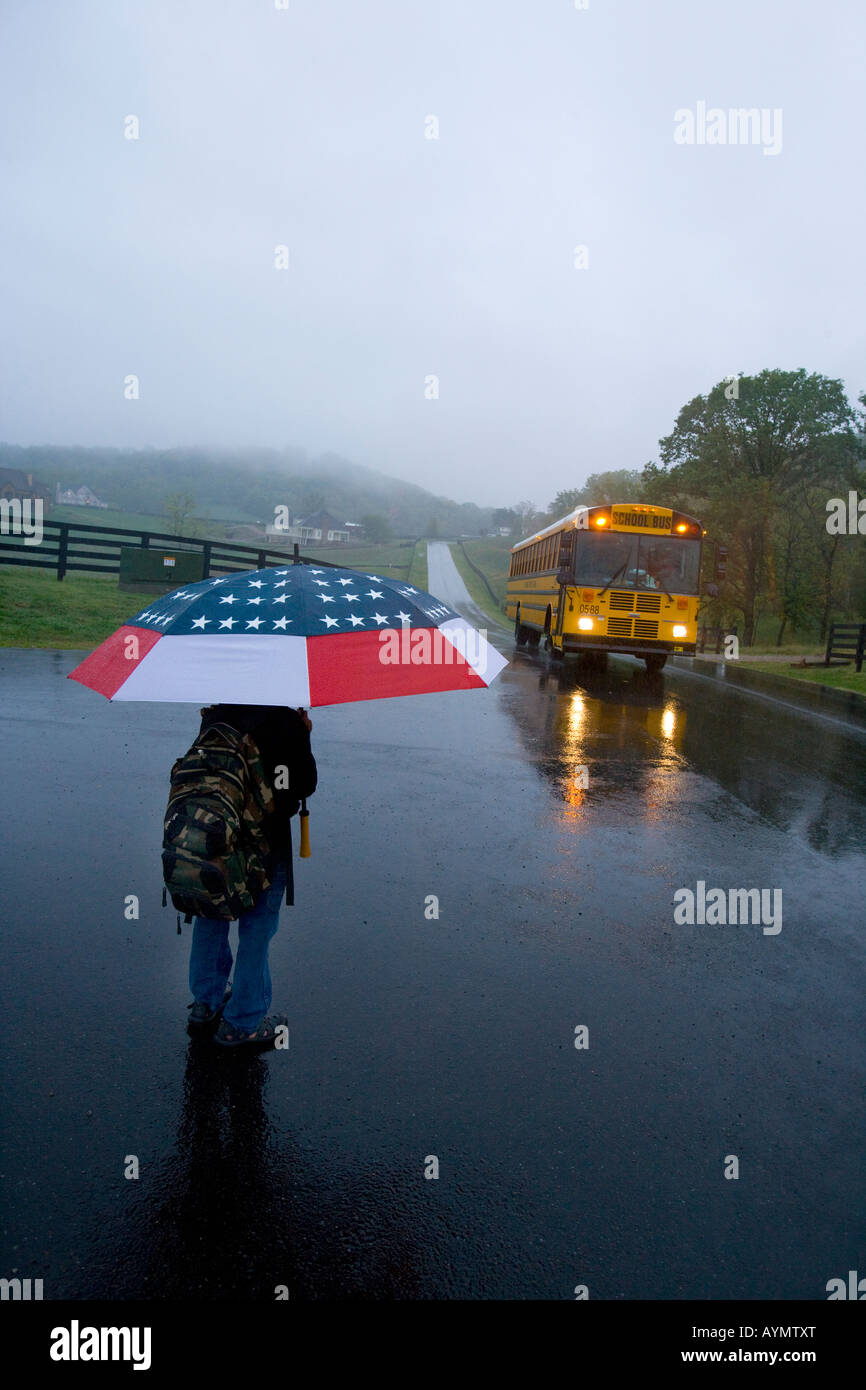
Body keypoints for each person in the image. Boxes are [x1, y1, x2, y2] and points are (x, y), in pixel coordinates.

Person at [186, 703, 317, 1048]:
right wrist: (304, 734)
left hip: (216, 843)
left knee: (212, 914)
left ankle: (206, 1002)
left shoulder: (216, 715)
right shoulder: (287, 721)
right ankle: (243, 1021)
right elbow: (302, 785)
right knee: (257, 927)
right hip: (266, 843)